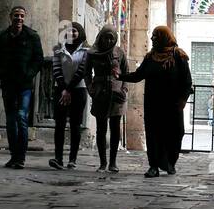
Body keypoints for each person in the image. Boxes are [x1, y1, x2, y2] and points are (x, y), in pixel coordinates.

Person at [119, 26, 193, 178]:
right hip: (153, 104)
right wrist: (120, 76)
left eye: (156, 36)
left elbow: (187, 81)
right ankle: (153, 166)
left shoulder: (178, 55)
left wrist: (183, 100)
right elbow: (138, 76)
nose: (152, 39)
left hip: (173, 105)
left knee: (176, 133)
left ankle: (170, 162)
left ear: (165, 37)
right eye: (152, 36)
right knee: (153, 135)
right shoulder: (150, 57)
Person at [0, 5, 43, 169]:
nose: (19, 19)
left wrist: (29, 74)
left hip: (24, 85)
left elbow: (38, 59)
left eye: (21, 16)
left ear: (25, 18)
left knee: (21, 118)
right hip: (8, 84)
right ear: (10, 17)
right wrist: (1, 74)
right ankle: (13, 156)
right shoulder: (2, 37)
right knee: (10, 121)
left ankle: (21, 157)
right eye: (16, 16)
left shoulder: (32, 36)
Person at [87, 26, 130, 172]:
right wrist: (91, 89)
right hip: (100, 93)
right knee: (101, 129)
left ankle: (113, 162)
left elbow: (126, 72)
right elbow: (86, 73)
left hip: (117, 94)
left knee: (115, 128)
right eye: (107, 37)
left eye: (112, 37)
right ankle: (102, 162)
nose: (109, 40)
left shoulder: (119, 52)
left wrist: (124, 89)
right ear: (101, 37)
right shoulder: (93, 53)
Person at [50, 22, 89, 170]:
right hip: (60, 90)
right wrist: (64, 89)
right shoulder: (58, 49)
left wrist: (69, 89)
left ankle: (72, 159)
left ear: (80, 33)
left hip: (78, 90)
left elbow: (82, 71)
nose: (72, 34)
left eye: (75, 32)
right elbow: (56, 70)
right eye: (69, 32)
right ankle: (58, 158)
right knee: (59, 124)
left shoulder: (86, 51)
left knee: (75, 125)